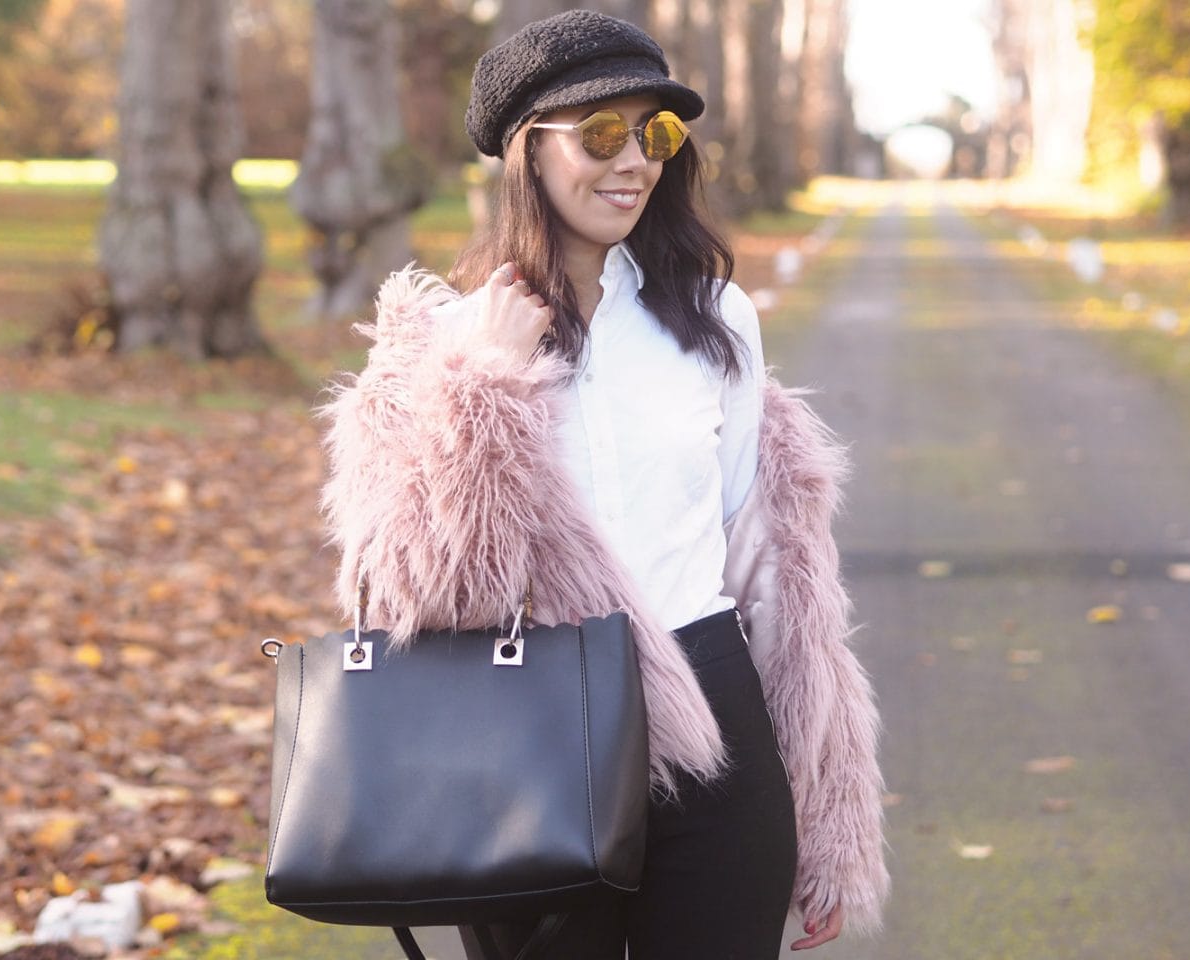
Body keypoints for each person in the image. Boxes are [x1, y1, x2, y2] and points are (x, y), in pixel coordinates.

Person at [318, 9, 888, 959]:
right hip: (529, 725)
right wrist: (486, 389)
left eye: (656, 133)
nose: (633, 161)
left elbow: (765, 559)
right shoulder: (447, 344)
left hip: (713, 711)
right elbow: (425, 595)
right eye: (600, 133)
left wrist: (826, 801)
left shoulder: (714, 317)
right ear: (525, 153)